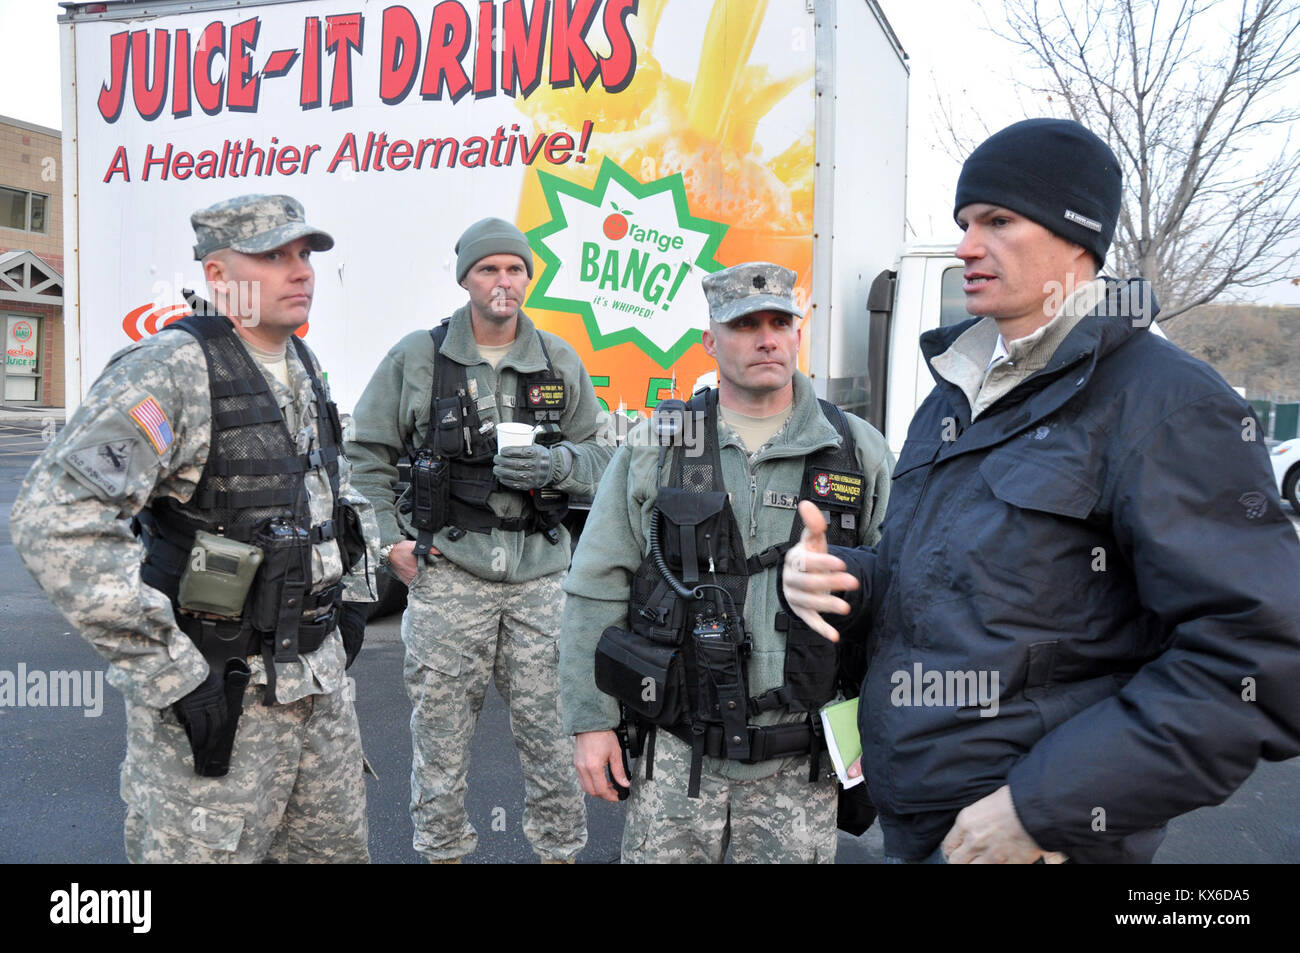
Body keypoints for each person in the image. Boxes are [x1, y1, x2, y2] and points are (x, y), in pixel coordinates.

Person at [783, 118, 1300, 864]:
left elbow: (1258, 659)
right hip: (922, 822)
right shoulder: (957, 395)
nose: (966, 246)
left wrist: (1043, 807)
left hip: (1033, 841)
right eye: (965, 222)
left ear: (1077, 237)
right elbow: (942, 583)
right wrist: (845, 580)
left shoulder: (1167, 403)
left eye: (998, 221)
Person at [11, 194, 380, 863]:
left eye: (304, 254)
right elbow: (56, 520)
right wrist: (171, 671)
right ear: (217, 274)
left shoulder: (301, 363)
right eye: (273, 255)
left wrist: (354, 599)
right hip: (219, 701)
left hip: (320, 694)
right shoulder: (171, 371)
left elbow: (337, 494)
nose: (301, 270)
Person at [560, 262, 893, 863]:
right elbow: (597, 585)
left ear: (797, 334)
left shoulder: (854, 449)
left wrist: (887, 723)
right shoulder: (660, 443)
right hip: (676, 759)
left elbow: (898, 598)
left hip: (801, 767)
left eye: (779, 323)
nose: (767, 339)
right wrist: (591, 722)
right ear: (710, 342)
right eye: (745, 325)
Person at [346, 216, 613, 863]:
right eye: (489, 268)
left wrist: (556, 465)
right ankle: (442, 854)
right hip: (449, 577)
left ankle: (559, 855)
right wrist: (390, 543)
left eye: (515, 268)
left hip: (541, 580)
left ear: (528, 278)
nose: (503, 280)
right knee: (439, 746)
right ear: (466, 277)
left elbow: (604, 457)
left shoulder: (557, 359)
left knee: (555, 742)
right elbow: (365, 457)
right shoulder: (419, 358)